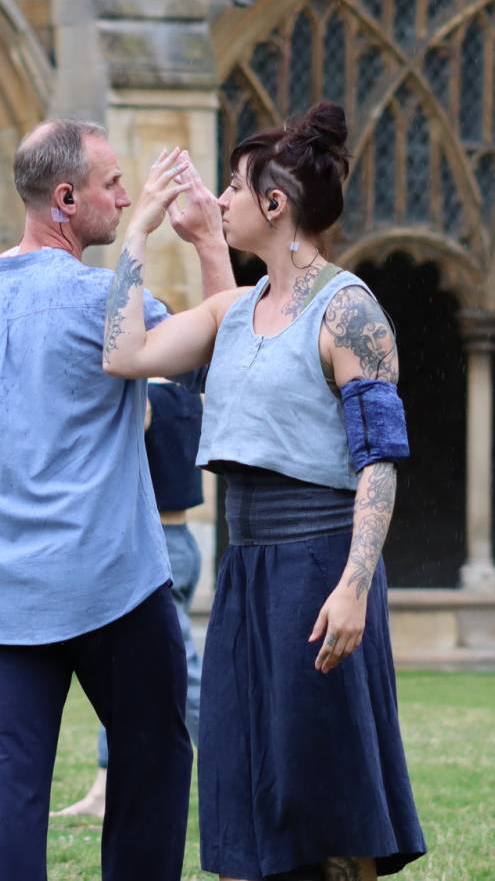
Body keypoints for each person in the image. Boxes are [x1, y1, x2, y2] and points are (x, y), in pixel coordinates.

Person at [0, 119, 230, 880]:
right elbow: (221, 363)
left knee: (12, 792)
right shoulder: (104, 302)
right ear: (66, 198)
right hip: (117, 593)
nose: (127, 196)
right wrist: (209, 245)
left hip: (6, 600)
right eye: (112, 185)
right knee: (152, 770)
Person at [101, 102, 426, 880]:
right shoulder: (234, 310)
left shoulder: (348, 310)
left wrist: (353, 586)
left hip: (320, 565)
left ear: (274, 205)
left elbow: (379, 461)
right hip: (246, 568)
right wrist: (137, 233)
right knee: (249, 762)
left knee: (322, 774)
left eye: (234, 189)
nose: (218, 200)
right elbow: (125, 355)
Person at [53, 375, 207, 819]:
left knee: (186, 678)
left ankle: (237, 768)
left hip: (152, 541)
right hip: (181, 539)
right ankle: (105, 788)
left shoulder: (144, 397)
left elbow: (109, 452)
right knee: (118, 669)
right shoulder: (187, 397)